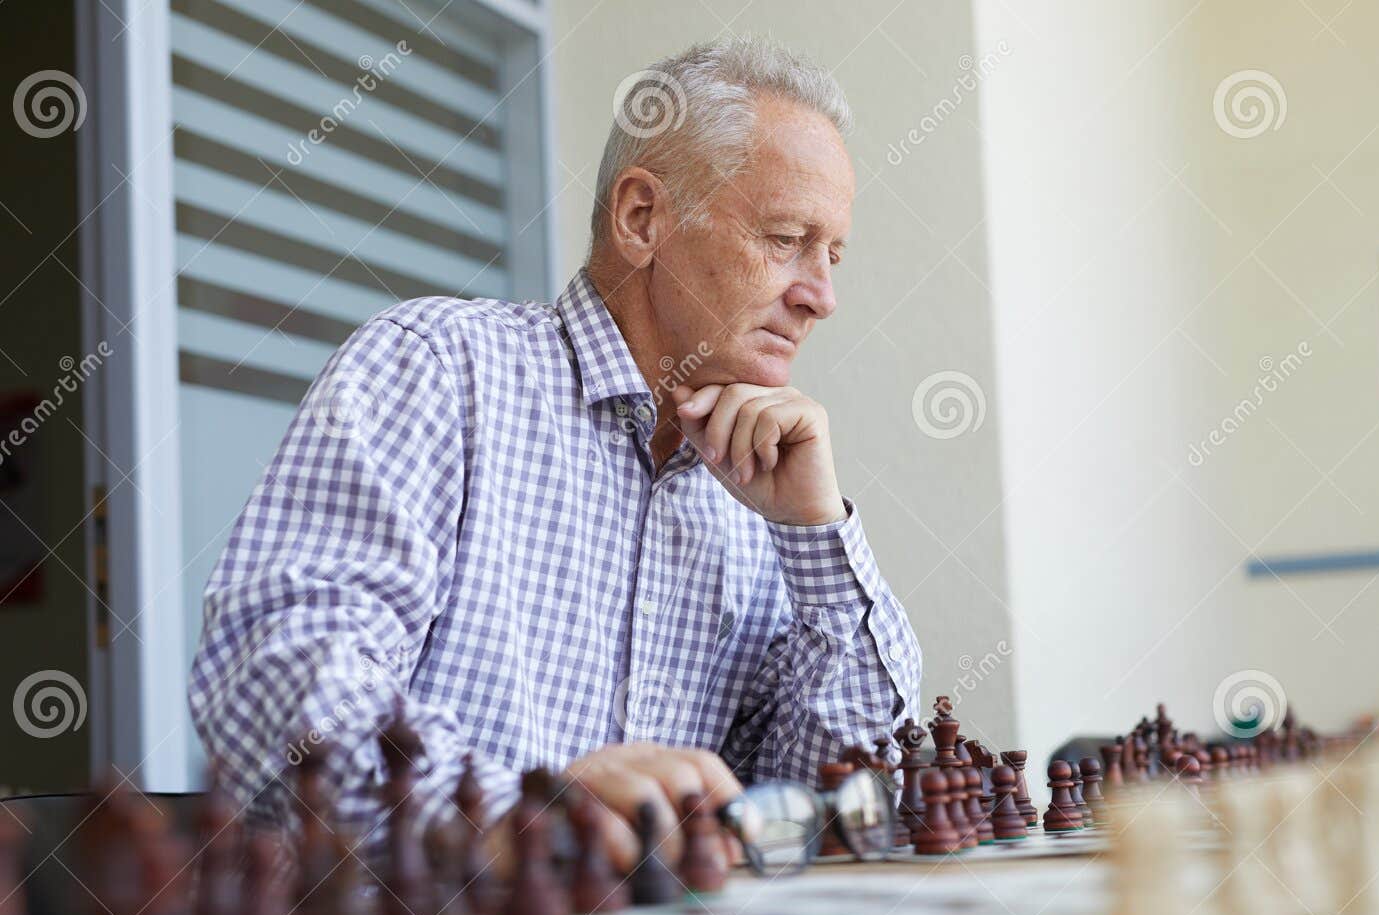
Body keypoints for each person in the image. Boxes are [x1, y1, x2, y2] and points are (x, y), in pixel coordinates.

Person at [188, 35, 922, 869]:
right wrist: (519, 823)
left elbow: (840, 799)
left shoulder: (757, 488)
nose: (820, 296)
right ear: (642, 218)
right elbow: (280, 670)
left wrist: (816, 532)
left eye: (833, 255)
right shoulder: (436, 369)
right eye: (787, 237)